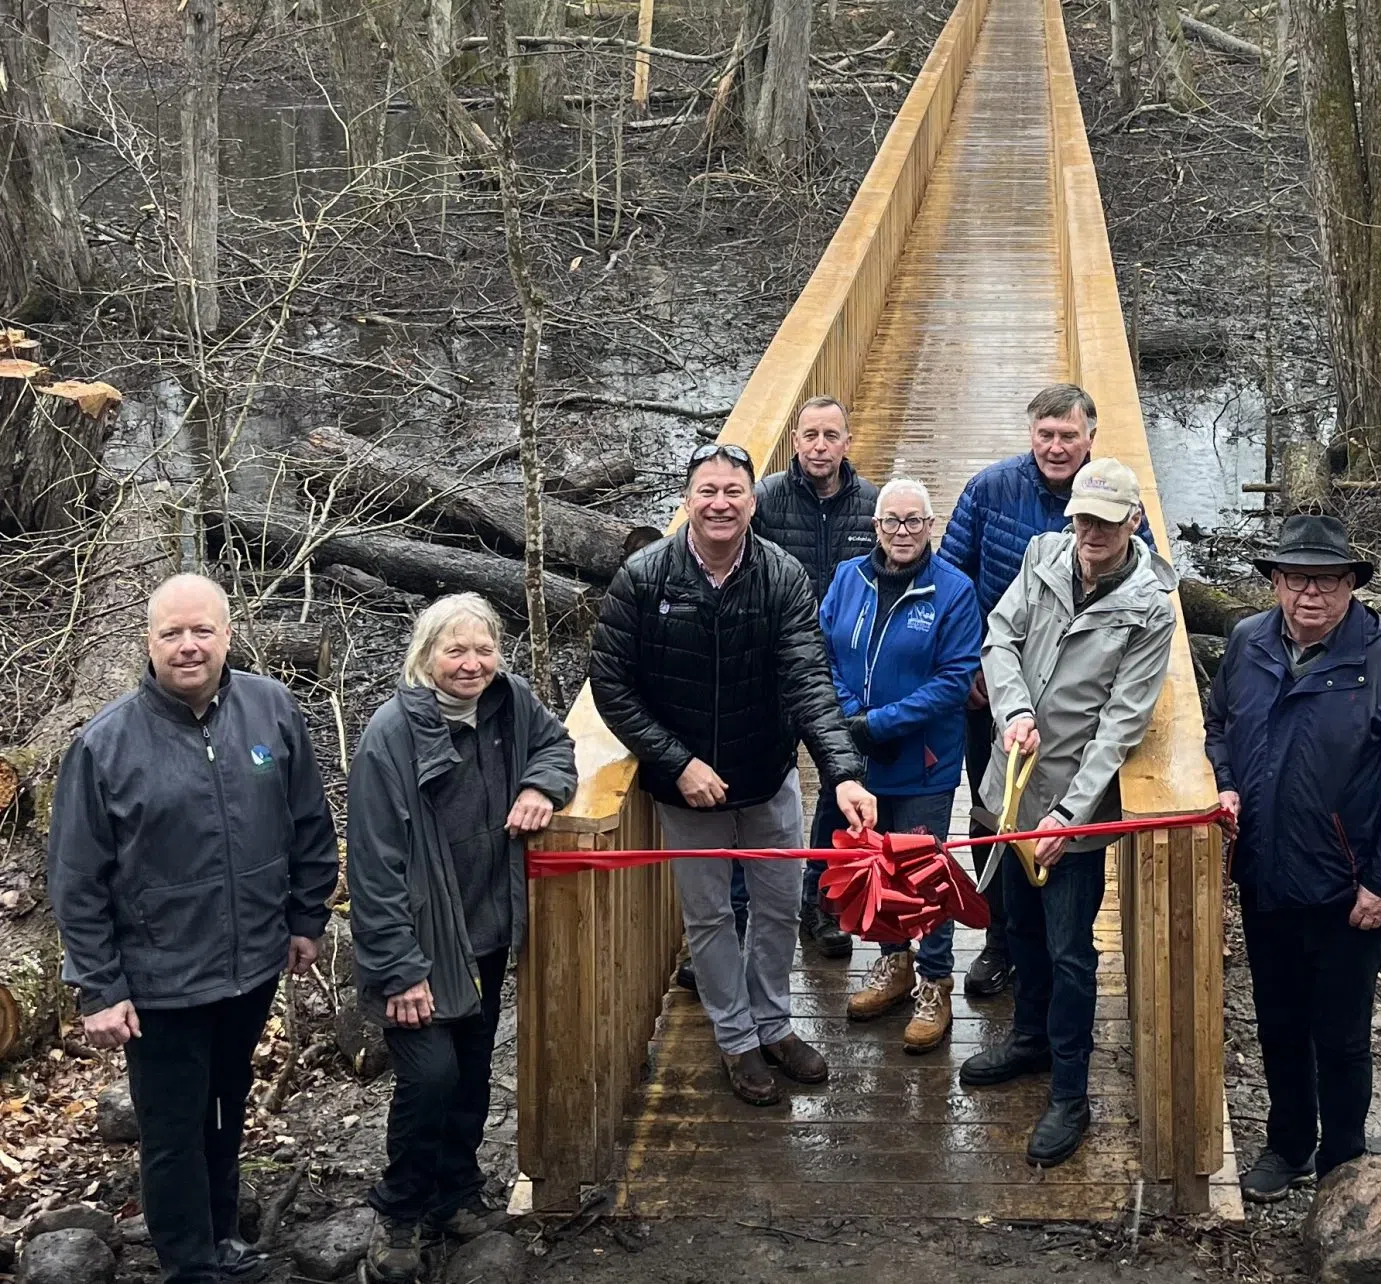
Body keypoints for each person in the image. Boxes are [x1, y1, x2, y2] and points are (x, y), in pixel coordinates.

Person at [49, 574, 339, 1284]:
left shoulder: (271, 710)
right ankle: (189, 1263)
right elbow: (76, 878)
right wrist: (99, 988)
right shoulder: (105, 744)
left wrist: (305, 917)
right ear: (148, 642)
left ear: (228, 635)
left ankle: (220, 1235)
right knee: (174, 1130)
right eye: (172, 633)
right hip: (159, 981)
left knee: (226, 1104)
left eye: (201, 631)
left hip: (251, 966)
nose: (188, 646)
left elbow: (309, 824)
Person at [589, 442, 877, 1107]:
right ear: (688, 500)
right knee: (712, 917)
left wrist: (843, 771)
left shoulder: (779, 576)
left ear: (753, 499)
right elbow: (612, 686)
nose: (720, 503)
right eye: (707, 491)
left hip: (767, 774)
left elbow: (809, 679)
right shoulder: (644, 577)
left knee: (777, 907)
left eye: (733, 492)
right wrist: (677, 762)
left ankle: (773, 1023)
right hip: (687, 790)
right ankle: (736, 1038)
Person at [1204, 514, 1381, 1202]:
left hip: (1348, 893)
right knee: (1278, 1024)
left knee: (1339, 1038)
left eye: (1327, 580)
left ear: (1350, 585)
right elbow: (1220, 724)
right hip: (1267, 875)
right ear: (1276, 582)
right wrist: (1223, 779)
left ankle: (1344, 1162)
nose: (1312, 593)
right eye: (1297, 578)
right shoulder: (1248, 642)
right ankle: (1287, 1145)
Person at [347, 593, 577, 1284]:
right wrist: (399, 970)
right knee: (429, 1078)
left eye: (483, 650)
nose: (471, 664)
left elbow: (558, 746)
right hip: (418, 942)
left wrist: (540, 785)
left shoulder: (509, 704)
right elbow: (372, 864)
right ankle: (398, 1212)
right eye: (455, 651)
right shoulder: (392, 732)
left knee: (472, 1074)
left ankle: (455, 1193)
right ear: (426, 657)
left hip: (485, 928)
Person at [959, 460, 1175, 1168]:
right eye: (1083, 517)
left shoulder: (1148, 607)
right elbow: (1000, 635)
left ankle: (1070, 1090)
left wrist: (1071, 819)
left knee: (1070, 950)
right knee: (1015, 923)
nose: (1090, 533)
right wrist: (1015, 710)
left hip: (1073, 810)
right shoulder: (1045, 554)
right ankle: (1028, 1040)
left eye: (1106, 523)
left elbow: (1122, 723)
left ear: (1132, 524)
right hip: (1010, 787)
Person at [939, 383, 1151, 998]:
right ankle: (1002, 939)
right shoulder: (990, 488)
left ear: (1090, 438)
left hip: (1071, 702)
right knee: (991, 809)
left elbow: (1147, 584)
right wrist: (969, 666)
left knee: (1049, 822)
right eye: (1046, 435)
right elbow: (952, 578)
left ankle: (1043, 943)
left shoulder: (1113, 498)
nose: (1056, 447)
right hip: (991, 685)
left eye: (1069, 436)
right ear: (1031, 434)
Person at [820, 478, 982, 1052]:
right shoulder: (849, 578)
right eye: (892, 521)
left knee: (923, 871)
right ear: (876, 526)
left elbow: (953, 680)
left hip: (922, 759)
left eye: (914, 521)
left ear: (931, 526)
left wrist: (877, 723)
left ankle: (935, 980)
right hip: (858, 756)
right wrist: (849, 716)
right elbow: (826, 653)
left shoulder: (954, 591)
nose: (902, 532)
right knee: (877, 867)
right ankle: (895, 963)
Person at [753, 395, 879, 959]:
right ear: (795, 442)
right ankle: (744, 919)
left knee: (839, 784)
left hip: (847, 675)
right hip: (776, 668)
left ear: (847, 443)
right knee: (753, 787)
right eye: (810, 435)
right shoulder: (765, 502)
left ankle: (819, 906)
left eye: (832, 435)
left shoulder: (873, 506)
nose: (820, 446)